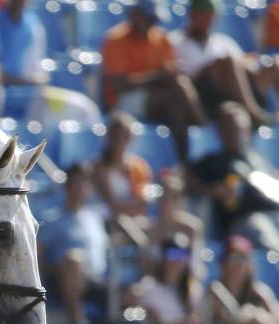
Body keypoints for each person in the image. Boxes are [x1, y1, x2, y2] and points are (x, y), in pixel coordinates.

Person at [101, 0, 205, 159]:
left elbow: (167, 72)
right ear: (135, 14)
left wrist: (168, 74)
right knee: (175, 92)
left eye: (154, 20)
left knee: (175, 108)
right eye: (148, 18)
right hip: (123, 102)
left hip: (156, 98)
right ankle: (203, 126)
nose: (151, 24)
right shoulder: (115, 40)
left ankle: (183, 160)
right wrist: (156, 76)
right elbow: (119, 86)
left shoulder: (161, 39)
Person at [188, 101, 279, 250]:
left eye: (240, 128)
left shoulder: (258, 160)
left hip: (274, 215)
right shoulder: (212, 162)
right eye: (230, 128)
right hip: (244, 223)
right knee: (258, 225)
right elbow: (184, 179)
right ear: (220, 131)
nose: (236, 133)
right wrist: (212, 191)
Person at [171, 0, 279, 126]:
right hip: (204, 96)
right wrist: (215, 68)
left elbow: (247, 65)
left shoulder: (223, 41)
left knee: (275, 65)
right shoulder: (175, 41)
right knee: (227, 62)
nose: (207, 21)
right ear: (192, 15)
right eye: (202, 15)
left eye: (210, 16)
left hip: (237, 90)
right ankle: (253, 114)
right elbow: (178, 76)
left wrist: (247, 64)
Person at [38, 164, 108, 324]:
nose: (79, 188)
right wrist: (61, 268)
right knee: (73, 259)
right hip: (61, 280)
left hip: (96, 280)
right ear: (67, 187)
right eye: (75, 183)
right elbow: (38, 259)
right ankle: (78, 322)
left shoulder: (95, 218)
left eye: (84, 183)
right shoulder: (52, 220)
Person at [211, 235, 279, 324]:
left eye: (243, 258)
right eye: (233, 258)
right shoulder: (216, 291)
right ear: (223, 262)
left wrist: (255, 318)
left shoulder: (259, 292)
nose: (238, 264)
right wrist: (251, 319)